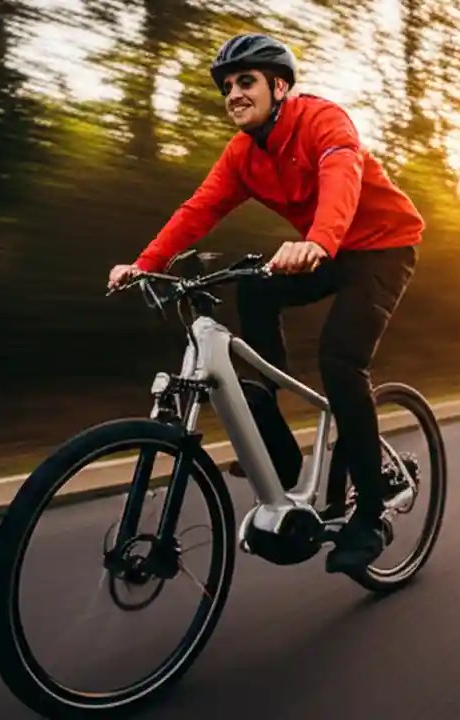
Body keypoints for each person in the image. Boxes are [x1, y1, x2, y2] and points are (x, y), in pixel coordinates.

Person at [107, 33, 425, 573]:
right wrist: (145, 263)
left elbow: (342, 174)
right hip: (324, 249)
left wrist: (319, 241)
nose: (233, 93)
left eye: (245, 81)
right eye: (227, 86)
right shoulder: (242, 156)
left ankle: (369, 515)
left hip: (381, 249)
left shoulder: (323, 120)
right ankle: (271, 434)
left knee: (340, 361)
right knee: (254, 287)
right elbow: (198, 210)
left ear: (279, 86)